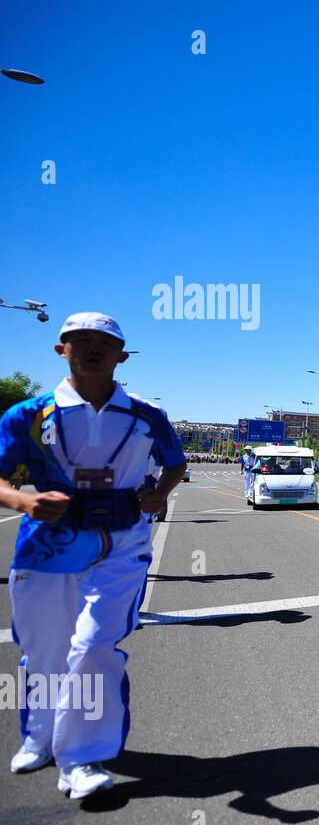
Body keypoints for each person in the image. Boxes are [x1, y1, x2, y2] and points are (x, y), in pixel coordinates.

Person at [1, 313, 185, 799]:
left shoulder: (146, 415)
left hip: (122, 538)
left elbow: (176, 462)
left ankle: (81, 758)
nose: (91, 348)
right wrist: (22, 501)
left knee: (93, 645)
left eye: (103, 342)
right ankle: (41, 735)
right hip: (47, 540)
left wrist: (159, 494)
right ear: (60, 350)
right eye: (79, 340)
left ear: (122, 355)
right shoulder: (29, 414)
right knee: (44, 652)